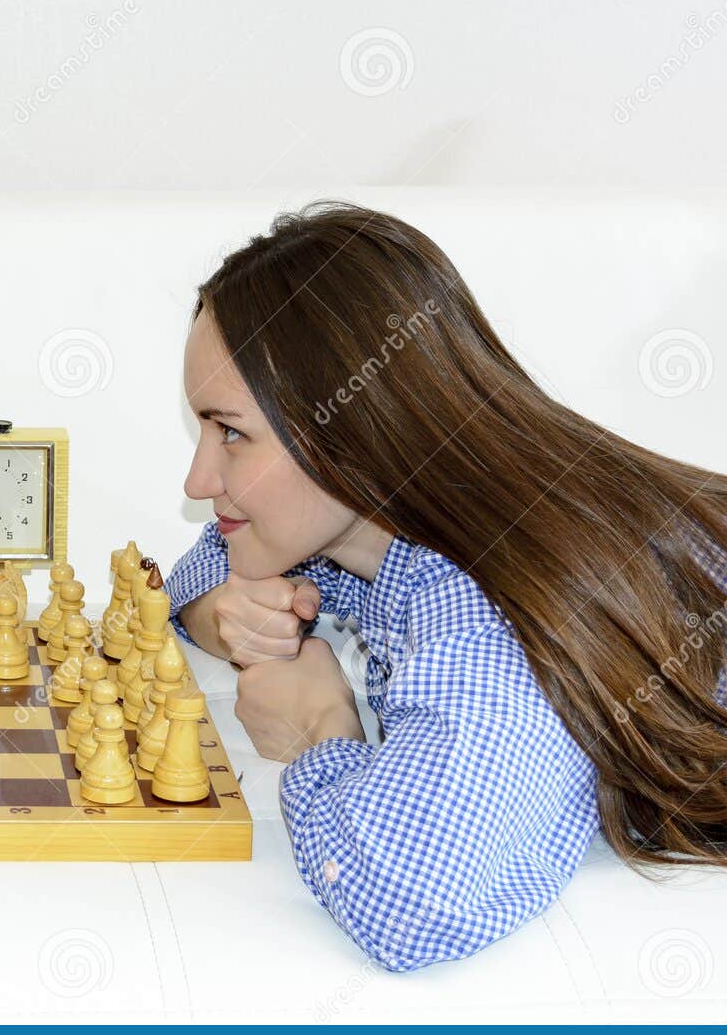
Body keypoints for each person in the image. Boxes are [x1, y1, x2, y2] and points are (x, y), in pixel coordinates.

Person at [168, 202, 727, 971]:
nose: (199, 479)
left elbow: (415, 905)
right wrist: (223, 617)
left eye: (231, 433)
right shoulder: (400, 517)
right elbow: (195, 570)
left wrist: (321, 731)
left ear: (353, 430)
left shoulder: (483, 608)